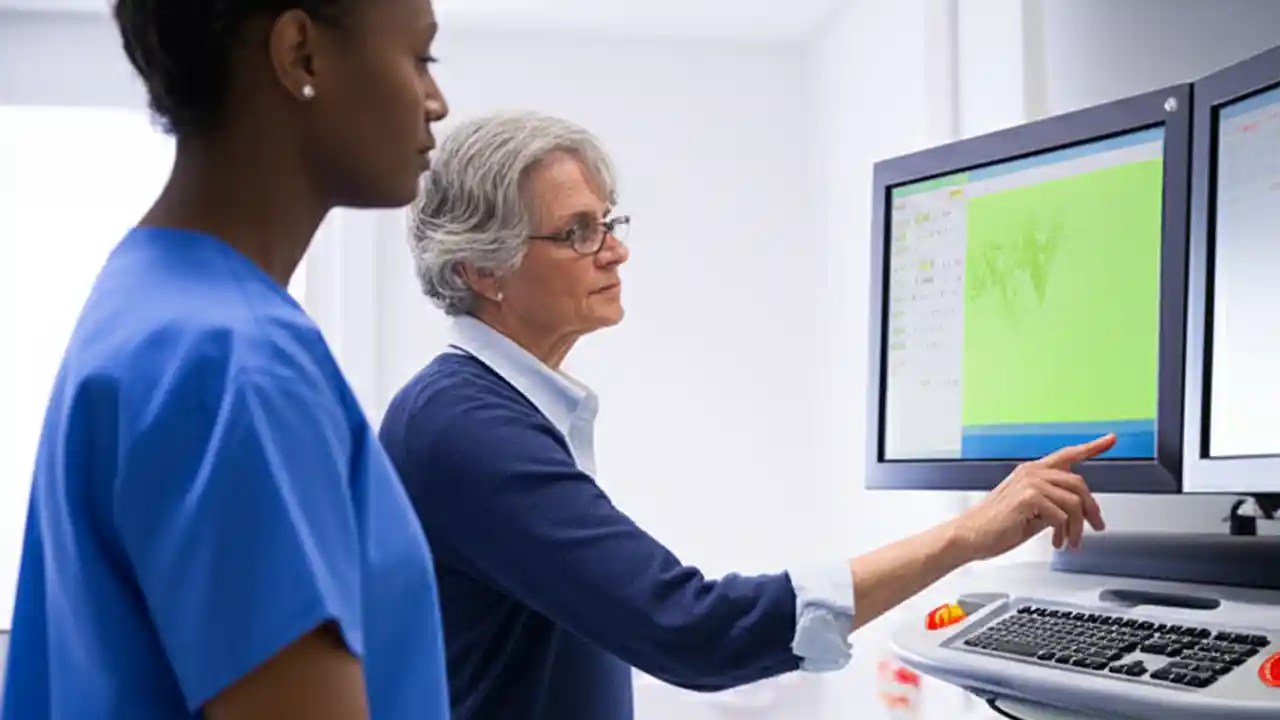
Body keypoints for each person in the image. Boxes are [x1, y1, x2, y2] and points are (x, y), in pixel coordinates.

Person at [379, 111, 1117, 720]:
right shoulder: (464, 428)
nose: (616, 250)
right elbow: (691, 630)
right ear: (481, 269)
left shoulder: (484, 410)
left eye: (609, 221)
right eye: (578, 232)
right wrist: (966, 534)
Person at [2, 1, 451, 718]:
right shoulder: (236, 365)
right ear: (301, 54)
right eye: (421, 58)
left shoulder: (147, 301)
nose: (437, 101)